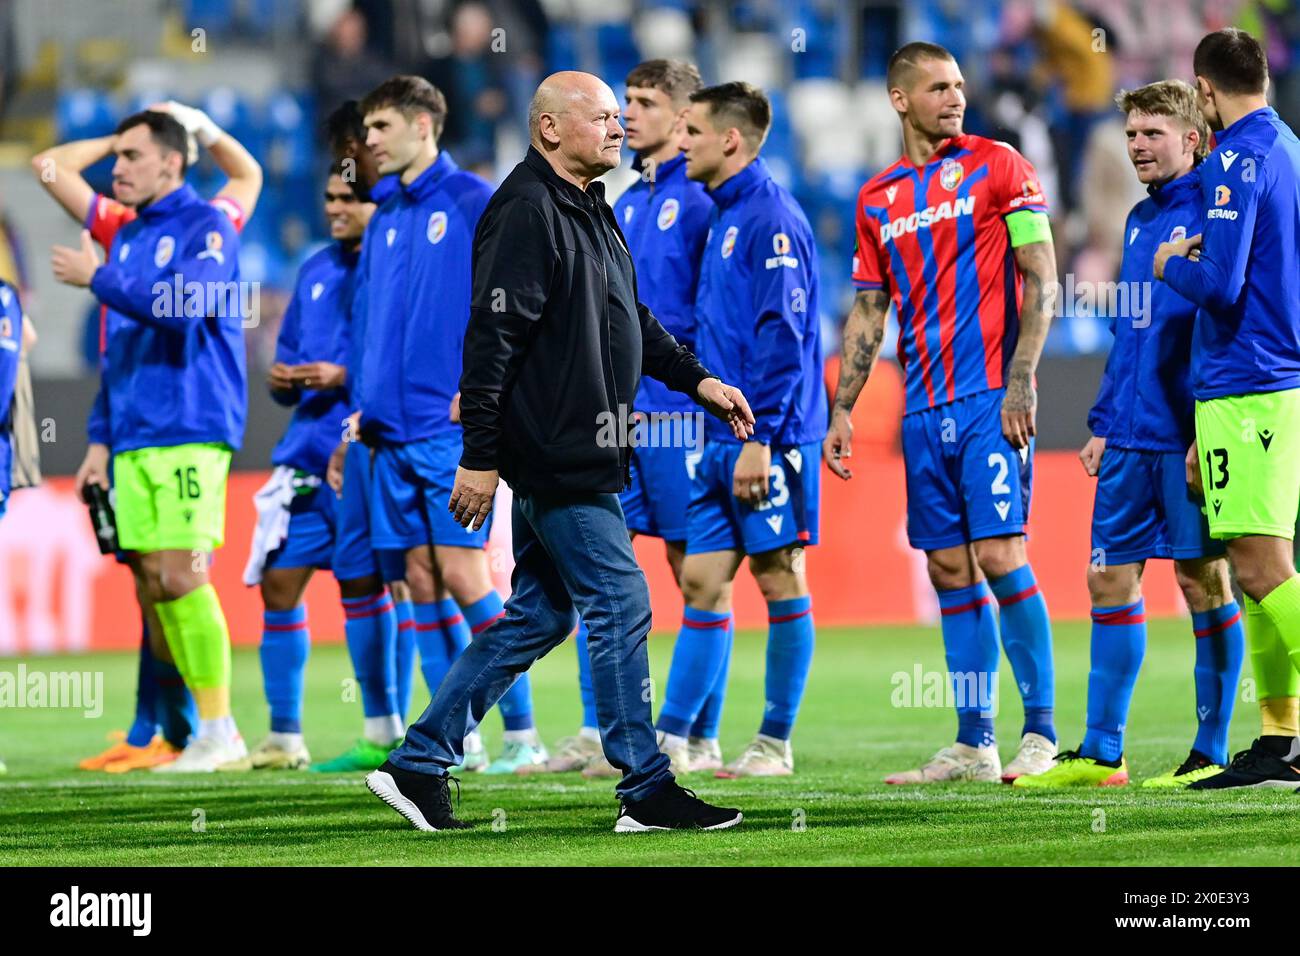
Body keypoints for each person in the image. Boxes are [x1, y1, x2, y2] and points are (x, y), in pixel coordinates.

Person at [366, 70, 753, 833]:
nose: (618, 129)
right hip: (555, 453)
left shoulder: (588, 207)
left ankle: (419, 760)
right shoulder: (525, 209)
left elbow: (630, 317)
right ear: (550, 128)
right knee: (621, 599)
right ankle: (644, 785)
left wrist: (698, 379)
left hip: (583, 447)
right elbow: (491, 340)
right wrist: (479, 454)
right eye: (604, 116)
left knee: (538, 617)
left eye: (620, 117)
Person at [825, 42, 1060, 783]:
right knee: (949, 566)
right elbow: (869, 310)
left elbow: (1041, 278)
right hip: (924, 407)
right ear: (900, 99)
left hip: (991, 394)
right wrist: (842, 408)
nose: (955, 97)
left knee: (1000, 556)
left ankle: (1043, 734)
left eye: (960, 85)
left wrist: (1022, 376)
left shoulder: (1001, 165)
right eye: (938, 87)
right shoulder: (877, 199)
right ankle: (973, 743)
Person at [1016, 80, 1246, 789]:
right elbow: (1131, 333)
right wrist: (1104, 423)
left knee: (1202, 579)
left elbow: (1221, 330)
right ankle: (1102, 753)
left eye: (1154, 133)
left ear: (1192, 138)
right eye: (1133, 133)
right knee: (1107, 576)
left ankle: (1209, 750)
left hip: (1189, 435)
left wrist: (1203, 433)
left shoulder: (1219, 213)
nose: (1138, 145)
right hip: (1131, 437)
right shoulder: (1144, 219)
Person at [34, 101, 260, 772]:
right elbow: (48, 165)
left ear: (174, 160)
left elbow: (186, 306)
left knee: (182, 573)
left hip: (190, 421)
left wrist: (96, 276)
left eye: (133, 156)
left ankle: (222, 730)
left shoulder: (208, 223)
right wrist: (100, 438)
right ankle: (187, 733)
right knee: (154, 584)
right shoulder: (125, 230)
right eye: (116, 157)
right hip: (133, 431)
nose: (116, 167)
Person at [352, 75, 543, 774]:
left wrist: (485, 391)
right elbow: (371, 321)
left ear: (422, 125)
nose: (368, 142)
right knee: (419, 581)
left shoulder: (470, 202)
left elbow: (507, 302)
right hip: (387, 432)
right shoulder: (385, 215)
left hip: (443, 425)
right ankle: (457, 735)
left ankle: (522, 735)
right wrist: (362, 400)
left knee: (465, 575)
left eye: (380, 127)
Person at [542, 58, 718, 778]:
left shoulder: (703, 201)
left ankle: (693, 735)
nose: (628, 116)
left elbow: (709, 316)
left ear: (683, 118)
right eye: (624, 103)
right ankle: (596, 725)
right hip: (619, 416)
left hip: (677, 415)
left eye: (643, 103)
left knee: (693, 571)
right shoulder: (623, 199)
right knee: (598, 580)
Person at [649, 81, 824, 779]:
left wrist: (761, 440)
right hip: (719, 436)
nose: (679, 142)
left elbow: (783, 335)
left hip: (766, 435)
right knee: (700, 580)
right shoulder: (724, 215)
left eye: (690, 131)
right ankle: (672, 740)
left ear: (730, 139)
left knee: (779, 575)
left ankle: (775, 743)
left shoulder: (770, 218)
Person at [1155, 27, 1300, 790]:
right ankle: (1281, 743)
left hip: (1251, 380)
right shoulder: (1290, 147)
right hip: (1261, 382)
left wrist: (1169, 262)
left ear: (1204, 92)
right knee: (1260, 568)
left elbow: (1219, 284)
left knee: (1262, 566)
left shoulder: (1238, 158)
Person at [221, 165, 399, 771]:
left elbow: (403, 358)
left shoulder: (391, 265)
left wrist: (343, 377)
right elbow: (291, 362)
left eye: (349, 198)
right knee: (279, 581)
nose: (334, 208)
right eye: (328, 196)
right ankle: (284, 737)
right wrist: (284, 378)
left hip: (371, 451)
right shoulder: (316, 269)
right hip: (307, 453)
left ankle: (388, 726)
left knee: (381, 585)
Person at [311, 101, 418, 774]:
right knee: (359, 573)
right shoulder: (338, 259)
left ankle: (488, 731)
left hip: (418, 429)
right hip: (362, 428)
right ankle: (383, 727)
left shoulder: (408, 224)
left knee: (427, 578)